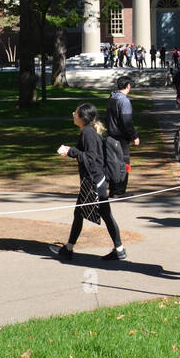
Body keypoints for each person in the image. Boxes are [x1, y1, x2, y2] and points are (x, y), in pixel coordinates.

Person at [56, 102, 126, 262]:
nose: (73, 114)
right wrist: (72, 152)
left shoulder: (88, 133)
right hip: (95, 179)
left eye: (76, 112)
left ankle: (69, 249)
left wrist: (70, 151)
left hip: (94, 181)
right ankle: (118, 249)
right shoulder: (88, 131)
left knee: (93, 214)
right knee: (88, 214)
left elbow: (91, 158)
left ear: (82, 117)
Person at [105, 76, 139, 197]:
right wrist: (134, 136)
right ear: (128, 86)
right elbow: (127, 122)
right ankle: (119, 190)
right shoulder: (124, 101)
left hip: (111, 135)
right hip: (121, 137)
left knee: (113, 163)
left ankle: (113, 189)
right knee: (124, 164)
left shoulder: (112, 97)